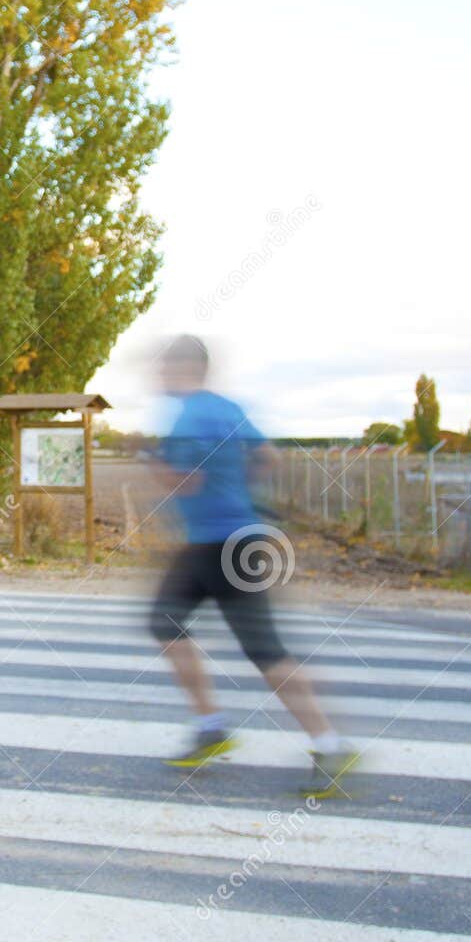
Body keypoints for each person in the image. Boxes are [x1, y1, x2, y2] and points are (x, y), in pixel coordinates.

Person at [149, 335, 358, 798]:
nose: (159, 374)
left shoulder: (189, 419)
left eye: (165, 366)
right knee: (171, 621)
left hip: (216, 546)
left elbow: (188, 482)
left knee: (262, 650)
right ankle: (213, 726)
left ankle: (326, 743)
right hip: (237, 538)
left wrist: (152, 464)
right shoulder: (226, 408)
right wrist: (237, 493)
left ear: (187, 368)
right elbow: (268, 458)